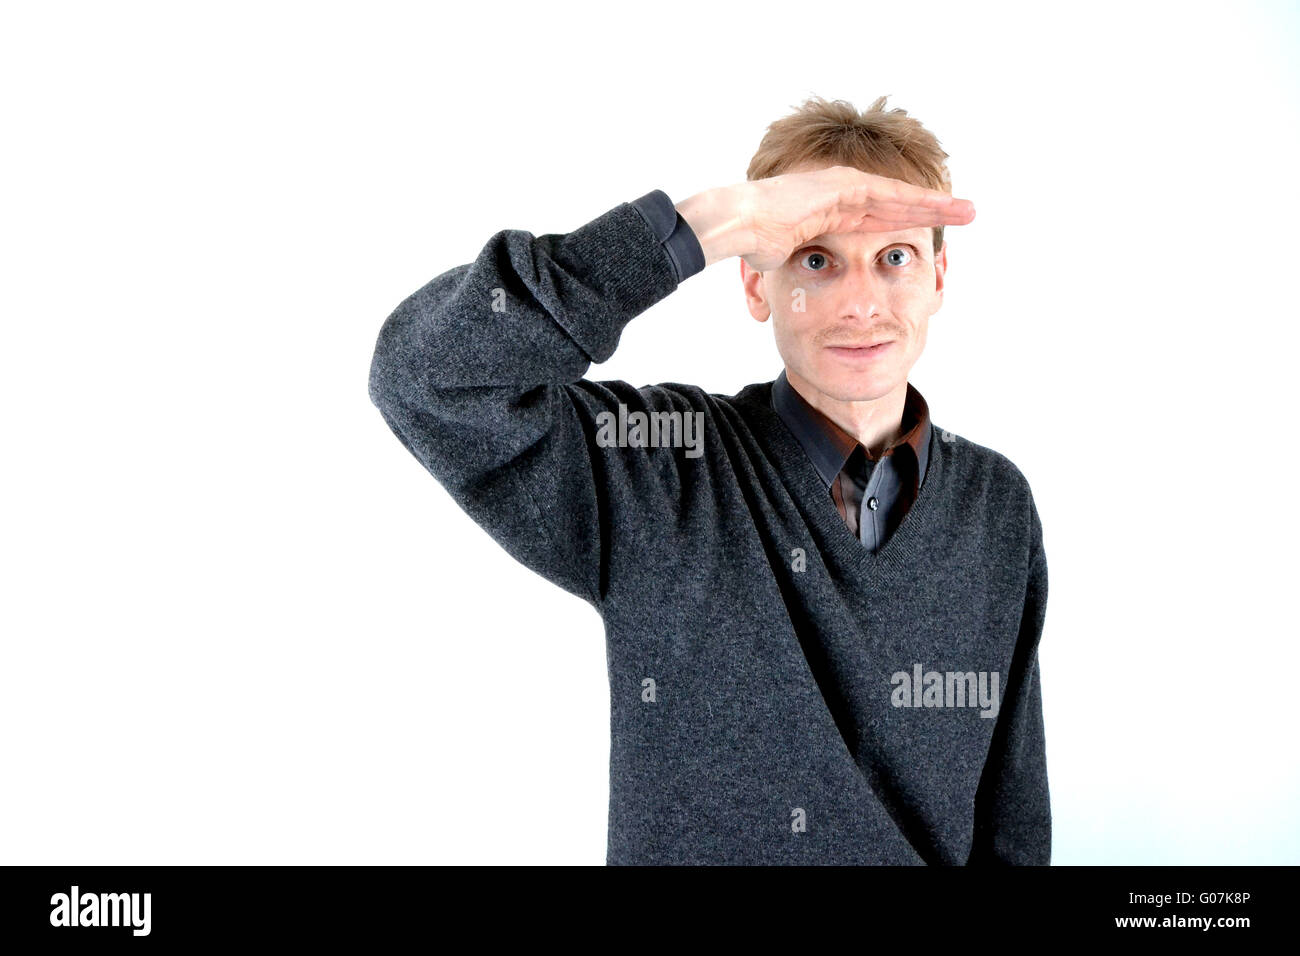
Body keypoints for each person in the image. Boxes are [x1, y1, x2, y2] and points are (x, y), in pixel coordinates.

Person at [367, 95, 1050, 865]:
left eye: (894, 258)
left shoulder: (997, 504)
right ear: (756, 286)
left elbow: (1012, 818)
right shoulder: (657, 467)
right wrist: (703, 226)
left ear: (938, 277)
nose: (861, 304)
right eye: (815, 260)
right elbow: (427, 376)